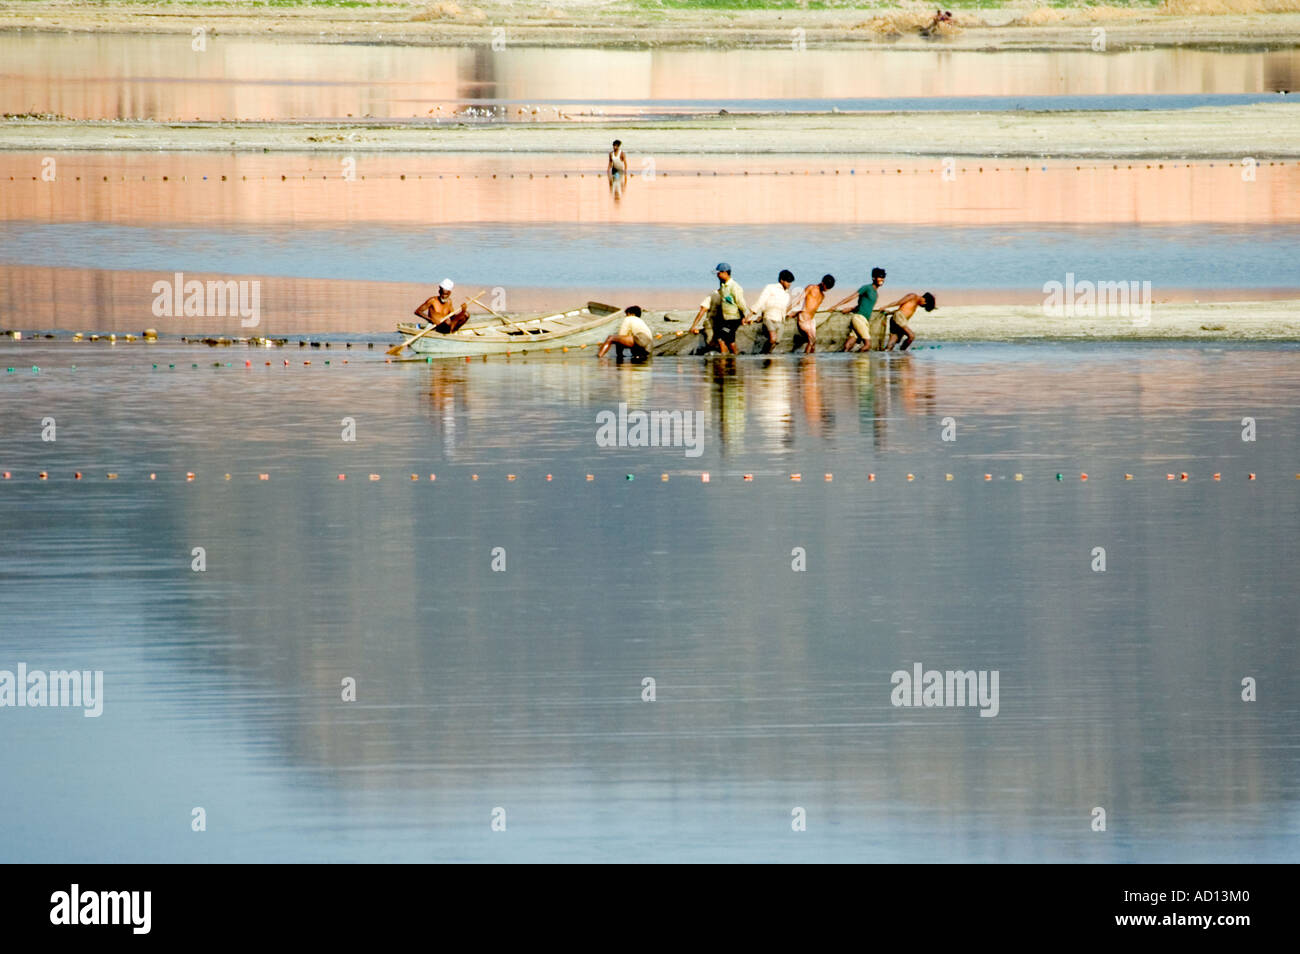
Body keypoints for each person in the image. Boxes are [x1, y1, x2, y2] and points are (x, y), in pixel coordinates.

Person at [690, 263, 751, 354]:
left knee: (723, 338)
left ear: (725, 273)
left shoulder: (734, 287)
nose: (717, 276)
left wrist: (746, 317)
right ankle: (729, 357)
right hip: (726, 318)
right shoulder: (723, 286)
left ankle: (730, 357)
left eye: (719, 273)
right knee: (726, 339)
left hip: (733, 318)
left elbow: (741, 303)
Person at [833, 266, 887, 352]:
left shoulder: (876, 294)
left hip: (864, 321)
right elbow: (852, 296)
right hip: (859, 319)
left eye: (883, 277)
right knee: (867, 345)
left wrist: (850, 309)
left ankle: (846, 360)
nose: (882, 279)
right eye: (880, 277)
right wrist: (836, 306)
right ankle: (858, 362)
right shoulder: (866, 288)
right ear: (874, 278)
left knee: (849, 344)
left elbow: (862, 306)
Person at [749, 269, 795, 353]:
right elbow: (760, 301)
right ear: (781, 280)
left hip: (780, 321)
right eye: (788, 282)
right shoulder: (770, 288)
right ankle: (763, 355)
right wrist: (750, 315)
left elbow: (783, 309)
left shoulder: (786, 295)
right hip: (769, 318)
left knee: (776, 342)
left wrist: (790, 313)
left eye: (791, 282)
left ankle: (765, 355)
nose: (790, 284)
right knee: (773, 338)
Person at [788, 274, 835, 354]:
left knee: (814, 342)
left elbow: (813, 309)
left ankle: (811, 362)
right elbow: (799, 299)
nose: (826, 290)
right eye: (826, 287)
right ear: (823, 283)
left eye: (828, 289)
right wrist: (789, 310)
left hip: (811, 320)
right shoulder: (811, 288)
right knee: (811, 340)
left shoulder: (822, 296)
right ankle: (806, 359)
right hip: (804, 318)